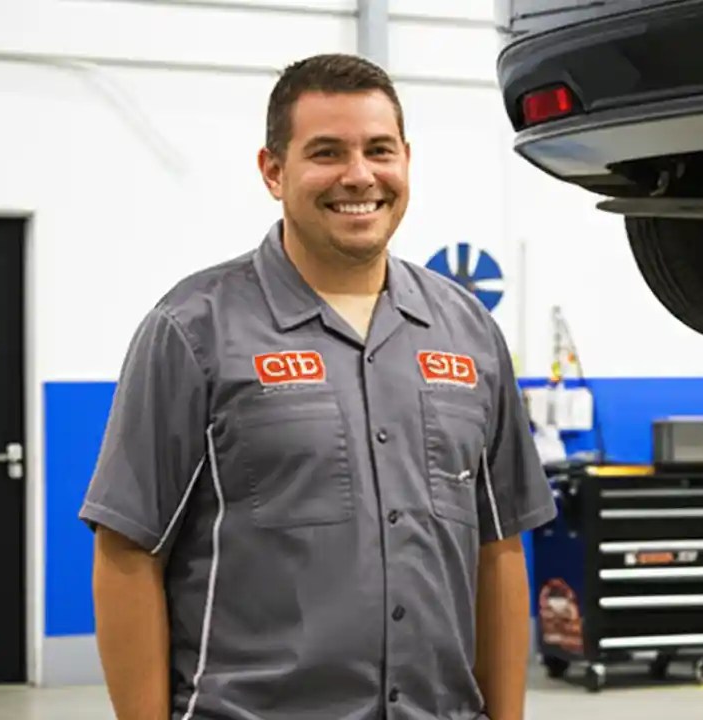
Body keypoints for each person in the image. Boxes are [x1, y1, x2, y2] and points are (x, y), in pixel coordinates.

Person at [79, 53, 558, 720]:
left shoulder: (468, 331)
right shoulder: (193, 331)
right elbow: (128, 551)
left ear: (407, 160)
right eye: (327, 152)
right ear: (273, 171)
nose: (359, 176)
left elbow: (498, 547)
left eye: (378, 150)